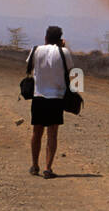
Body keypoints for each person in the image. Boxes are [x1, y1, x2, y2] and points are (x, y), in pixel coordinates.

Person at [25, 25, 74, 179]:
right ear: (60, 39)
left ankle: (34, 165)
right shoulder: (64, 52)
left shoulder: (35, 50)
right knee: (52, 134)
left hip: (38, 96)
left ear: (45, 38)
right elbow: (71, 70)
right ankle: (48, 168)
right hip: (56, 98)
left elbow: (30, 67)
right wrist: (62, 48)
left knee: (36, 132)